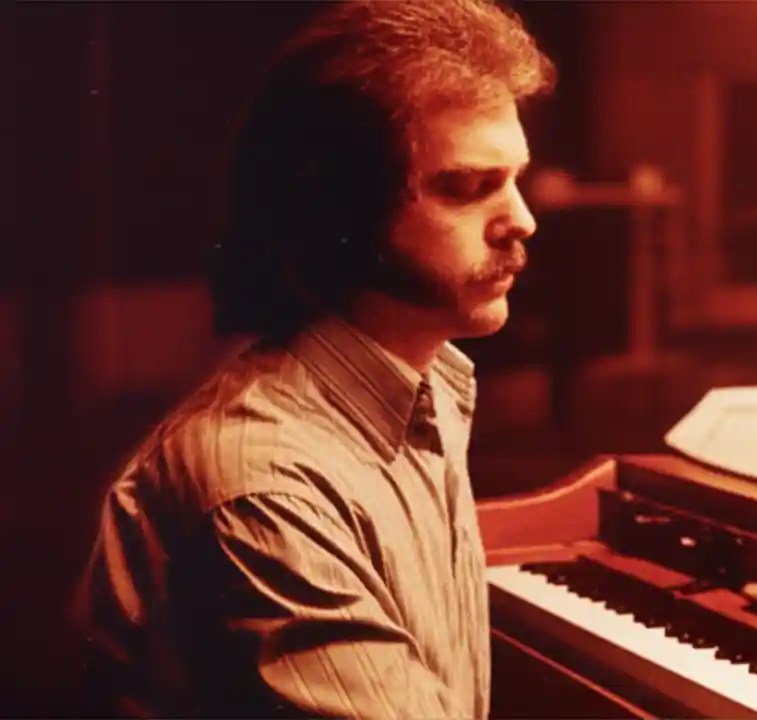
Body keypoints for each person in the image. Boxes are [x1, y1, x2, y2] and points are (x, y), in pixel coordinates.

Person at [73, 0, 554, 716]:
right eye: (466, 188)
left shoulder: (426, 384)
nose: (522, 220)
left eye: (514, 179)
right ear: (345, 206)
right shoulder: (268, 489)